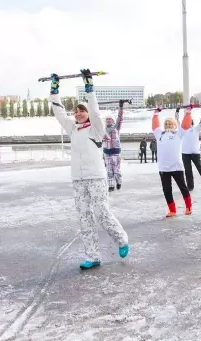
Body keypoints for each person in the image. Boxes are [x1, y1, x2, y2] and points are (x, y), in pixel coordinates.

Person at [50, 70, 129, 270]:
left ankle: (121, 238)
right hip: (78, 179)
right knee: (85, 218)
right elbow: (59, 111)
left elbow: (95, 111)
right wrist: (54, 90)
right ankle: (92, 256)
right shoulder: (72, 128)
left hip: (96, 177)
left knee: (101, 213)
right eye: (76, 111)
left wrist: (89, 88)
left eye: (81, 110)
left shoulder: (96, 129)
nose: (78, 113)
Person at [152, 106, 193, 217]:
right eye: (166, 124)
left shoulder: (178, 134)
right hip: (163, 168)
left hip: (176, 167)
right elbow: (155, 126)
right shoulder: (160, 134)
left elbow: (185, 125)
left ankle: (188, 207)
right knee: (167, 190)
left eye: (170, 124)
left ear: (174, 125)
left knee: (183, 187)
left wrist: (188, 113)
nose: (168, 126)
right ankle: (172, 210)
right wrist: (156, 114)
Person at [176, 106, 201, 191]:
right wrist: (177, 111)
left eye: (190, 121)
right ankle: (190, 186)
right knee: (188, 170)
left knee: (199, 167)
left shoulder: (196, 129)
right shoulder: (182, 129)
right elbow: (177, 120)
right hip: (185, 153)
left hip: (195, 152)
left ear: (192, 122)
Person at [102, 101, 126, 192]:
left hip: (115, 151)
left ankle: (119, 181)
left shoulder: (116, 127)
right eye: (107, 119)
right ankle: (111, 185)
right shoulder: (102, 130)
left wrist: (121, 107)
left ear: (112, 120)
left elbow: (120, 118)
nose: (108, 120)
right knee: (109, 170)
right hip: (106, 152)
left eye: (110, 119)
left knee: (116, 170)